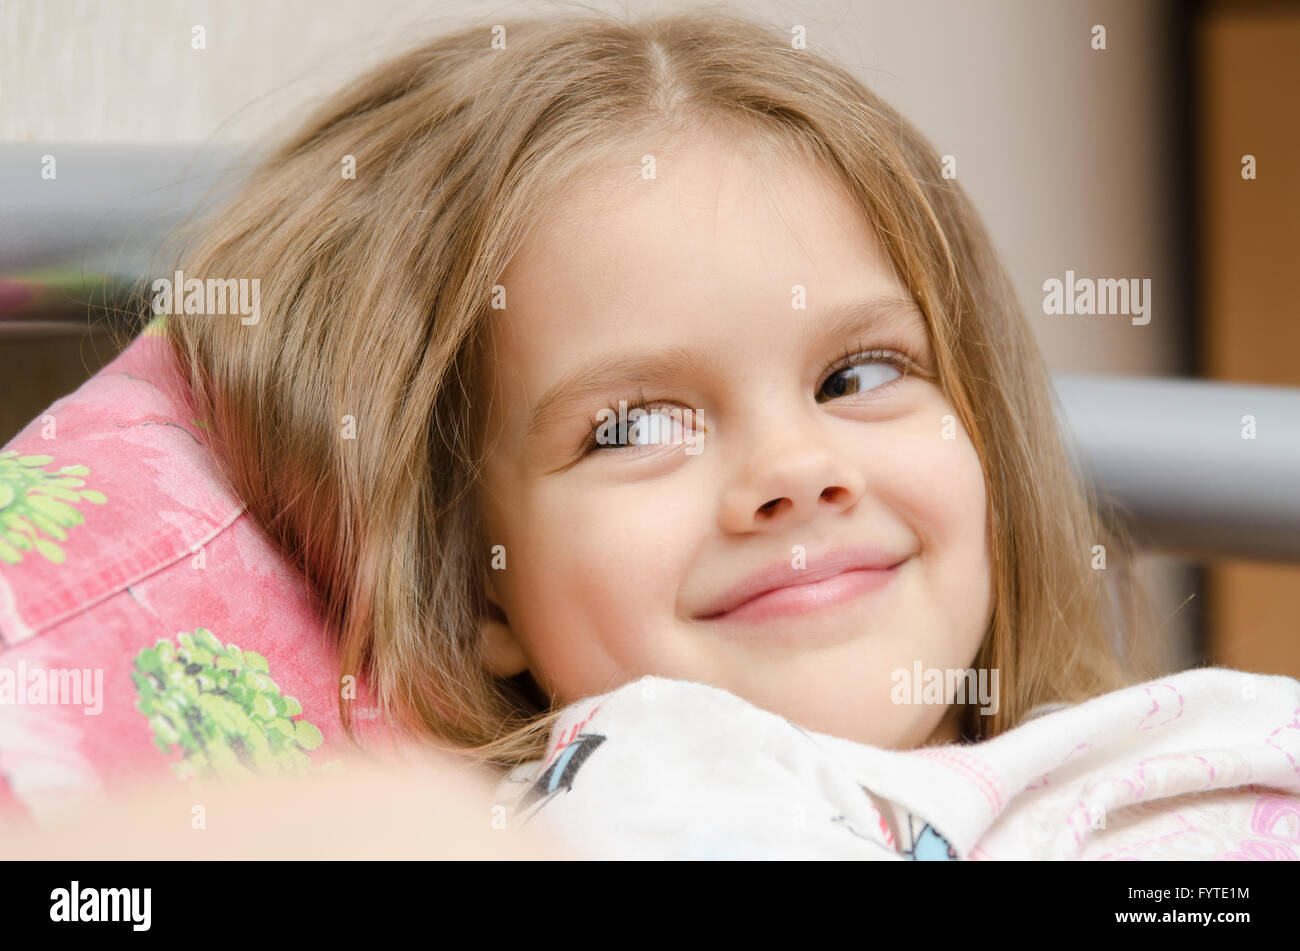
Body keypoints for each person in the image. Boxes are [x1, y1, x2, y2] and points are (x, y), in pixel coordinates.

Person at [5, 7, 1298, 859]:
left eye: (858, 375)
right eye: (632, 426)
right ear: (474, 589)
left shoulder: (1182, 753)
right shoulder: (631, 800)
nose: (794, 476)